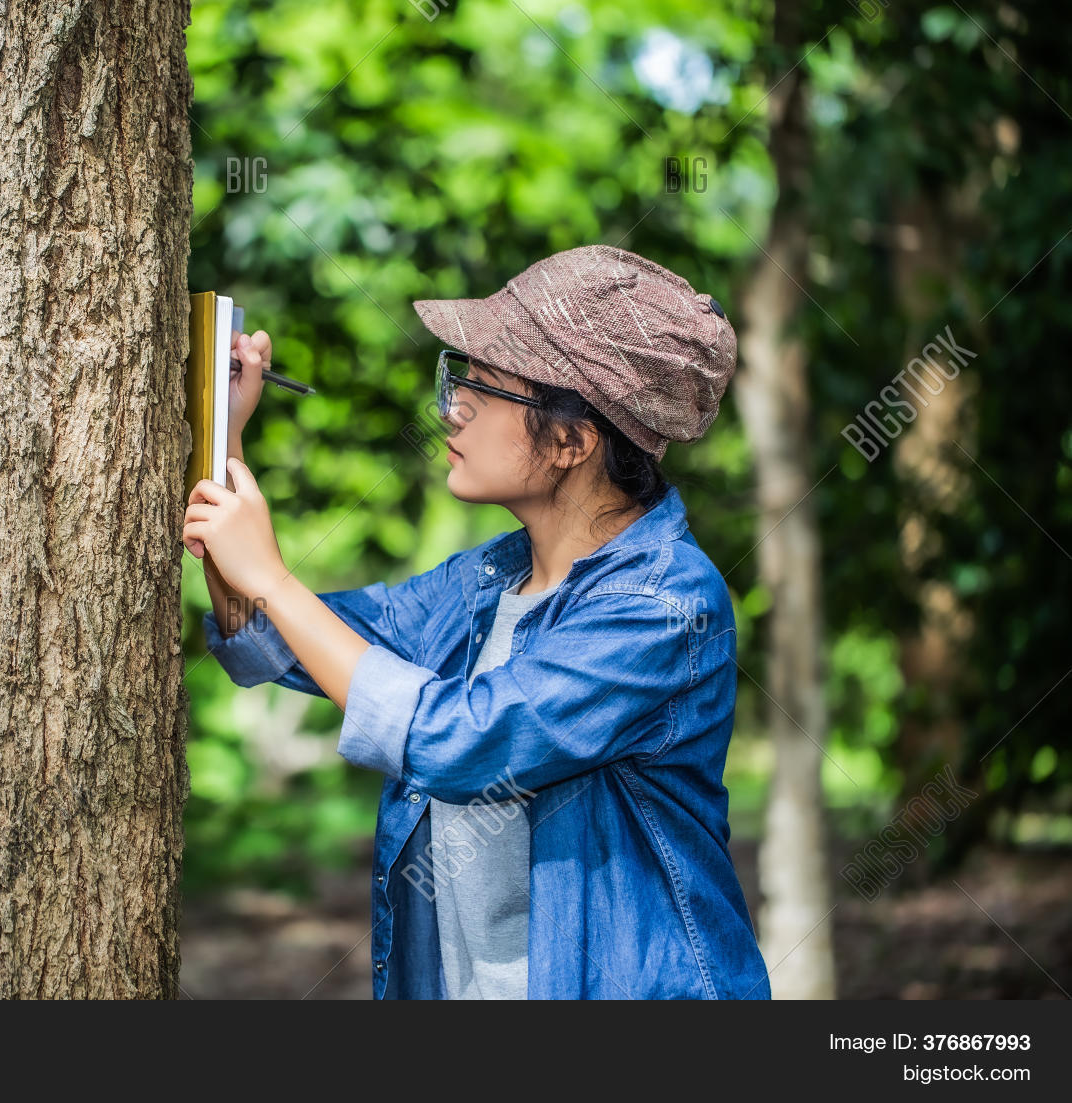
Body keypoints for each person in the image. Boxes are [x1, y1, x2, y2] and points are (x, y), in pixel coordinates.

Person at [184, 245, 771, 999]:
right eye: (455, 379)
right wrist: (225, 437)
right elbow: (272, 642)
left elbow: (464, 741)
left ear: (572, 441)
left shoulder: (662, 606)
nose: (451, 410)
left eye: (482, 389)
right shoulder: (488, 579)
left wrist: (272, 575)